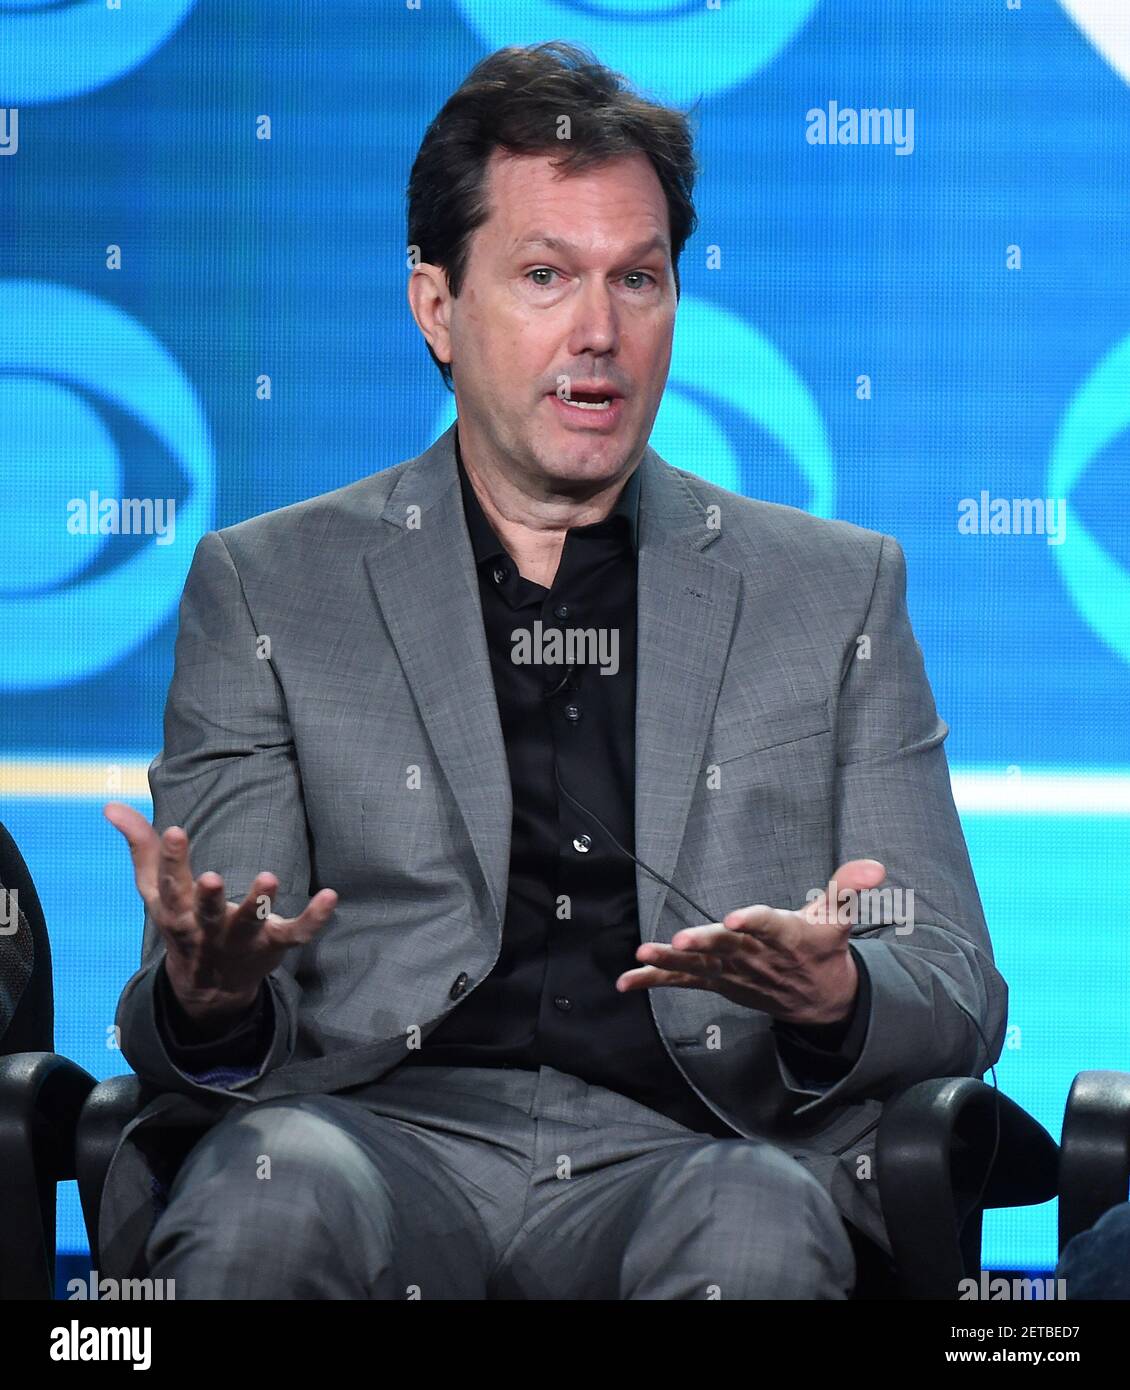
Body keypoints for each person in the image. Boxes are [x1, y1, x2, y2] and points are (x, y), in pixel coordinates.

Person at [101, 40, 1006, 1299]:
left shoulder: (833, 589)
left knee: (754, 1223)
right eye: (544, 275)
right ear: (436, 307)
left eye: (637, 278)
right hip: (372, 1132)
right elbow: (223, 972)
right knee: (275, 1197)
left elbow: (956, 982)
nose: (598, 331)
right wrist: (206, 998)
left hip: (696, 1145)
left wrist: (837, 990)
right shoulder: (269, 586)